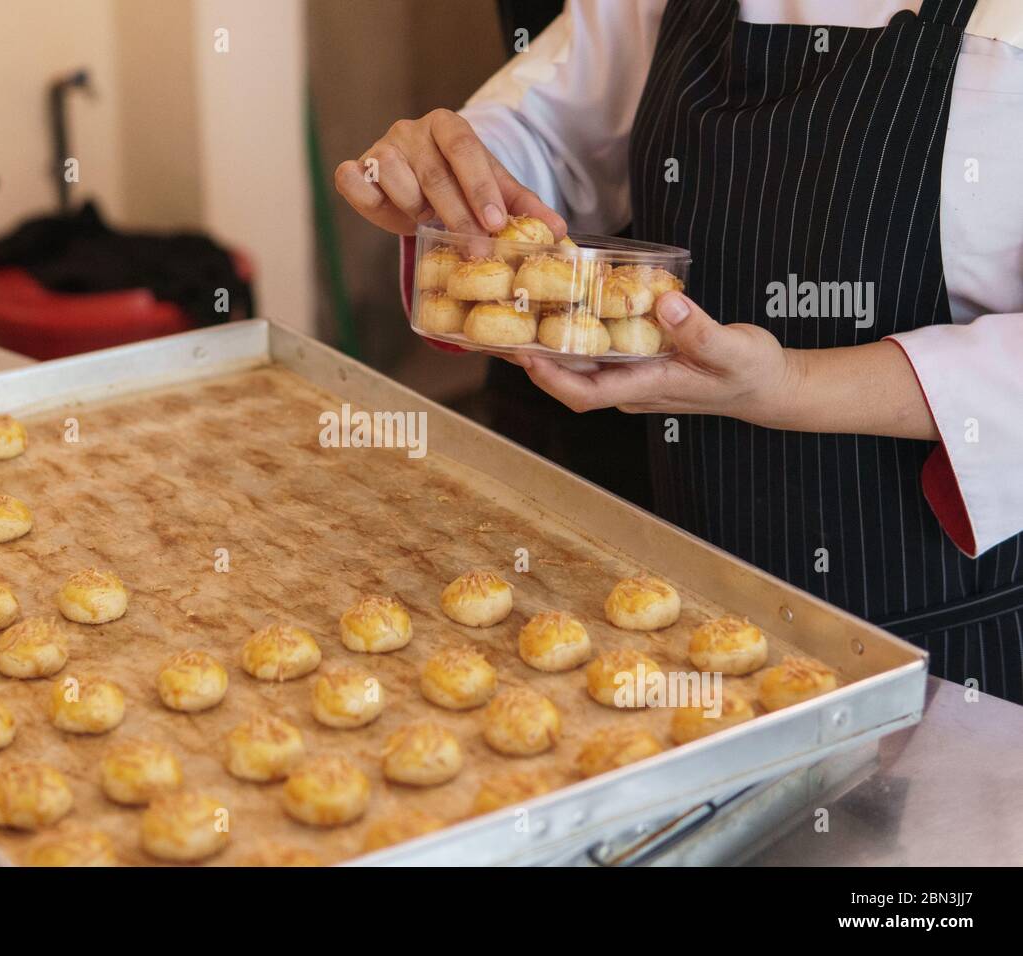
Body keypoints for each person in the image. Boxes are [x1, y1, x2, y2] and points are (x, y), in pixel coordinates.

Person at [336, 0, 1023, 703]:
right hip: (688, 588)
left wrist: (790, 383)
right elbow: (555, 128)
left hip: (941, 638)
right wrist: (451, 181)